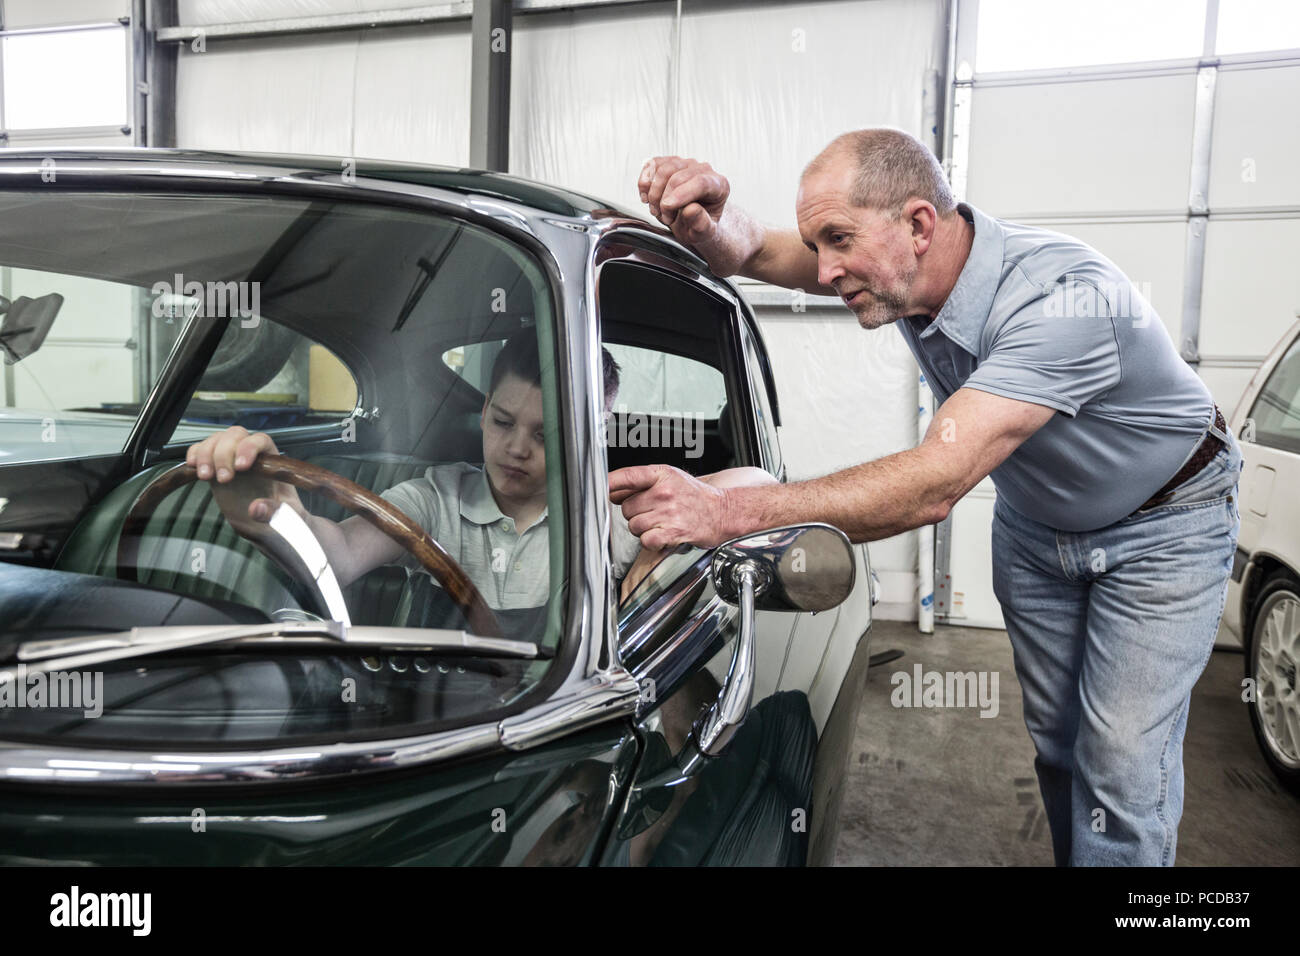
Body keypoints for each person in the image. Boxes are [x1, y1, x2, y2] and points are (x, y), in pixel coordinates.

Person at [611, 128, 1242, 866]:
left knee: (1122, 766)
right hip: (1038, 526)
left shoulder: (1067, 301)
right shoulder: (903, 268)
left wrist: (725, 511)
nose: (825, 270)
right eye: (820, 244)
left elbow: (934, 483)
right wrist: (713, 225)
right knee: (1063, 745)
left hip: (1164, 526)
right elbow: (758, 253)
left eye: (838, 241)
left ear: (918, 223)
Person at [187, 328, 772, 625]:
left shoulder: (611, 512)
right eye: (501, 420)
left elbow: (760, 483)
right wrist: (273, 514)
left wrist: (654, 548)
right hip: (444, 718)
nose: (516, 449)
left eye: (547, 435)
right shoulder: (435, 500)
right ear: (485, 405)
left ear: (594, 431)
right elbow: (337, 554)